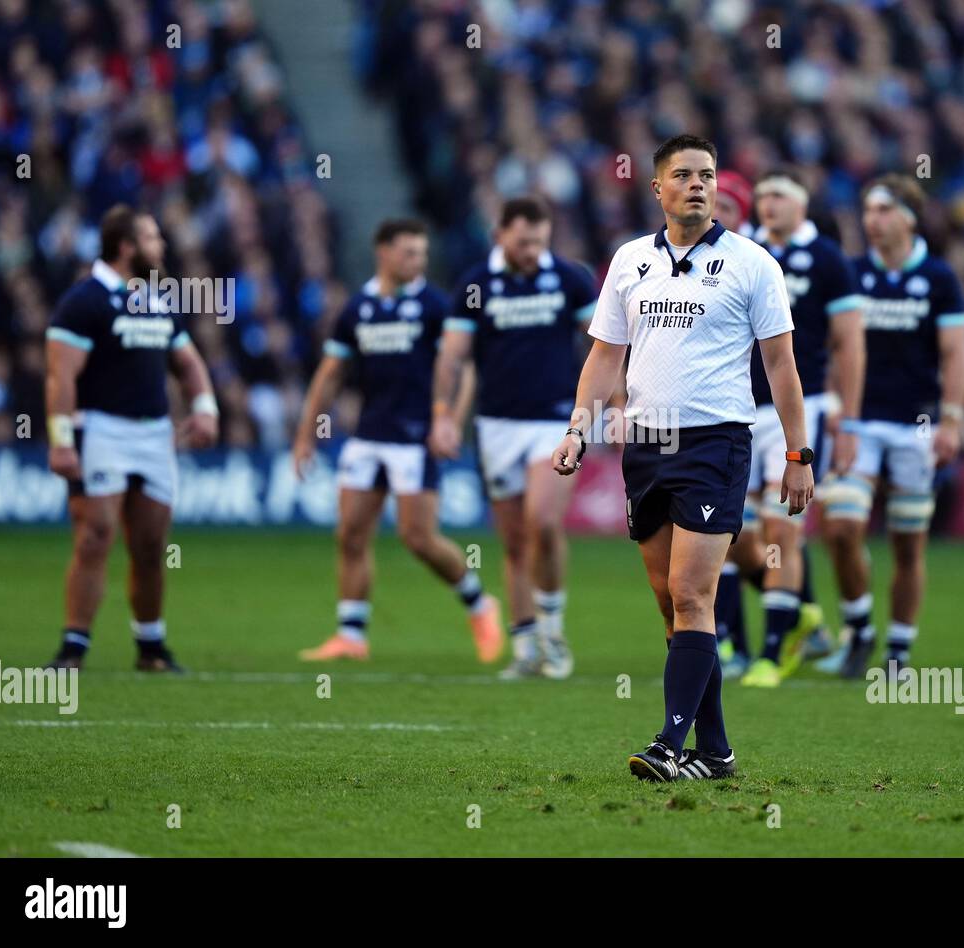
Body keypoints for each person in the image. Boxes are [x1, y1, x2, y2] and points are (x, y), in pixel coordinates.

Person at [553, 134, 812, 781]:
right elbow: (605, 356)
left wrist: (797, 452)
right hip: (646, 445)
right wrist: (577, 428)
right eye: (684, 175)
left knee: (693, 593)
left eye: (707, 175)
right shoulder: (629, 261)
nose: (699, 184)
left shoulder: (754, 265)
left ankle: (669, 743)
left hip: (714, 441)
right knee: (672, 607)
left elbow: (780, 365)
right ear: (658, 189)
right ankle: (717, 752)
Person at [293, 219, 502, 663]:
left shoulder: (433, 305)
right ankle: (351, 635)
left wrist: (448, 421)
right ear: (383, 253)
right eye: (409, 253)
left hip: (415, 437)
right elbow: (328, 375)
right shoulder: (358, 309)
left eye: (422, 254)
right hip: (368, 435)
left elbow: (462, 368)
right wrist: (305, 435)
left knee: (418, 538)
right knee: (350, 534)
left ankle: (479, 603)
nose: (418, 262)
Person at [44, 205, 218, 671]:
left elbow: (188, 362)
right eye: (152, 238)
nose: (161, 247)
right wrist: (61, 439)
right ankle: (73, 647)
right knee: (95, 535)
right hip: (100, 429)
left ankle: (151, 646)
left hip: (154, 434)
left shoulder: (156, 300)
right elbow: (61, 377)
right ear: (126, 247)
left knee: (148, 544)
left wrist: (204, 408)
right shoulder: (84, 301)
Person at [430, 198, 598, 679]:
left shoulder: (569, 278)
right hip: (496, 424)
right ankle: (525, 644)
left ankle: (553, 630)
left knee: (543, 521)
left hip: (554, 421)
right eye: (523, 242)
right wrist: (443, 415)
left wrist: (620, 398)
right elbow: (453, 356)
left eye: (539, 242)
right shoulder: (477, 285)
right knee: (514, 540)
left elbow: (601, 343)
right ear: (500, 235)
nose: (531, 251)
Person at [816, 175, 964, 678]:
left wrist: (951, 420)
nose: (871, 220)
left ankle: (898, 652)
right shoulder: (851, 273)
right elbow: (835, 348)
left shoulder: (940, 278)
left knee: (908, 542)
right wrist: (839, 408)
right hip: (859, 422)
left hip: (915, 426)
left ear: (909, 215)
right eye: (867, 210)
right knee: (841, 528)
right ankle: (859, 628)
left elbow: (955, 353)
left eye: (882, 209)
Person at [735, 170, 866, 688]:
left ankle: (772, 651)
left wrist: (847, 418)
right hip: (741, 409)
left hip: (800, 407)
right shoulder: (743, 253)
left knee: (781, 530)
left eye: (779, 196)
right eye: (762, 196)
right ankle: (805, 612)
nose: (768, 204)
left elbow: (850, 344)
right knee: (733, 537)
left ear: (802, 204)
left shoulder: (829, 260)